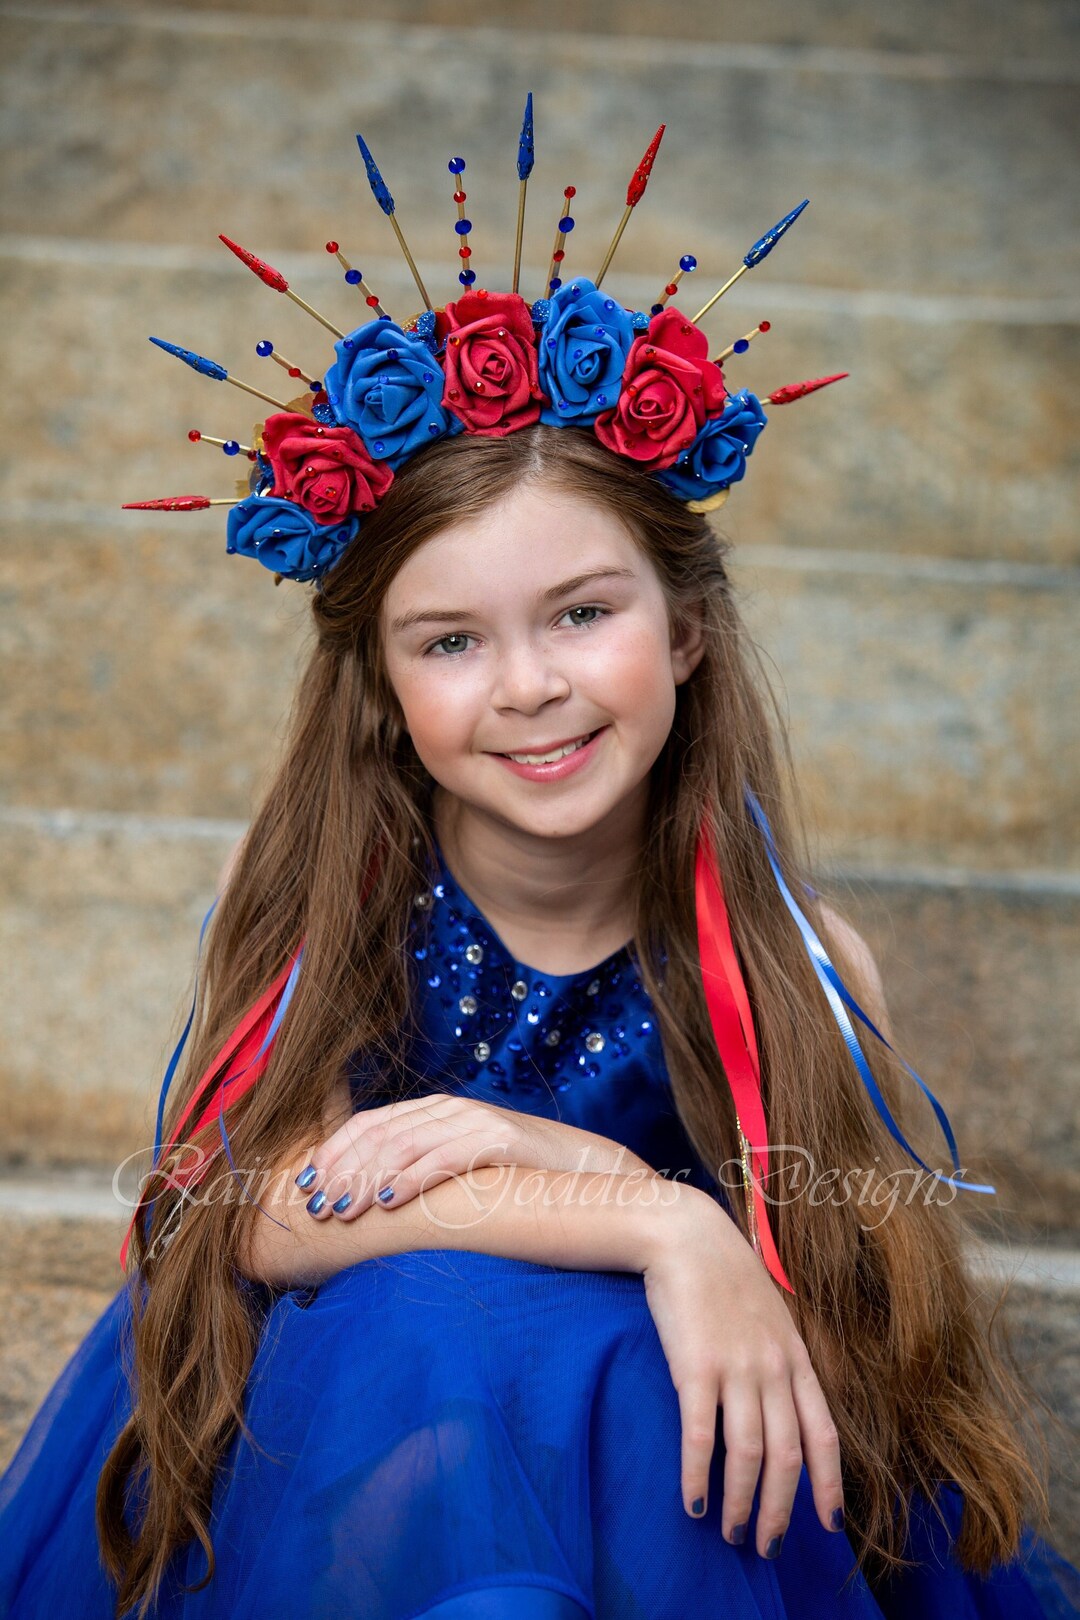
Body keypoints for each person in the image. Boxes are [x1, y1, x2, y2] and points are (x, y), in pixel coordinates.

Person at [1, 116, 1077, 1620]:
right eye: (451, 640)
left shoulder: (801, 958)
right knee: (418, 1323)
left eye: (582, 613)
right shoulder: (326, 900)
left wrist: (578, 1177)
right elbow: (261, 1208)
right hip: (359, 1468)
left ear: (686, 630)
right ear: (385, 688)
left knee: (618, 1356)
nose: (529, 686)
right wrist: (647, 1210)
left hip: (669, 1495)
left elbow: (843, 1308)